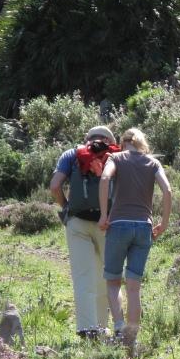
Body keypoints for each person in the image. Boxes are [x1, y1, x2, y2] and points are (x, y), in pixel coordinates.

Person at [98, 128, 172, 353]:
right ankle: (131, 340)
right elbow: (167, 190)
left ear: (122, 143)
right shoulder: (152, 163)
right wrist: (165, 222)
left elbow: (104, 178)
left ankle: (119, 327)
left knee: (113, 282)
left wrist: (103, 214)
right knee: (133, 287)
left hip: (118, 224)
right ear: (142, 143)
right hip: (144, 227)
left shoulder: (116, 158)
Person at [49, 125, 119, 338]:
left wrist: (67, 206)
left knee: (83, 276)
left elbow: (54, 186)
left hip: (77, 221)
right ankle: (104, 326)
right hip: (108, 223)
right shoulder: (117, 156)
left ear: (87, 139)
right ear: (110, 140)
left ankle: (87, 329)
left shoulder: (72, 154)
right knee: (107, 276)